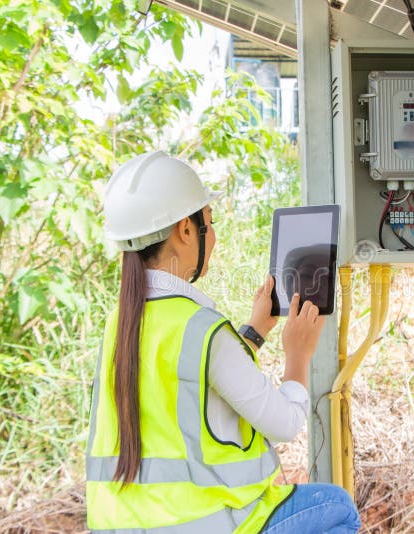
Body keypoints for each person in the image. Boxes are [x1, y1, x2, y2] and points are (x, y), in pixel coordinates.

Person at [86, 150, 361, 533]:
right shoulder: (201, 329)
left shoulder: (120, 323)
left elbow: (193, 385)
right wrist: (298, 356)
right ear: (186, 229)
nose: (212, 237)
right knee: (337, 507)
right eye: (209, 223)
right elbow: (284, 423)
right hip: (205, 525)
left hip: (119, 527)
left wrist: (254, 332)